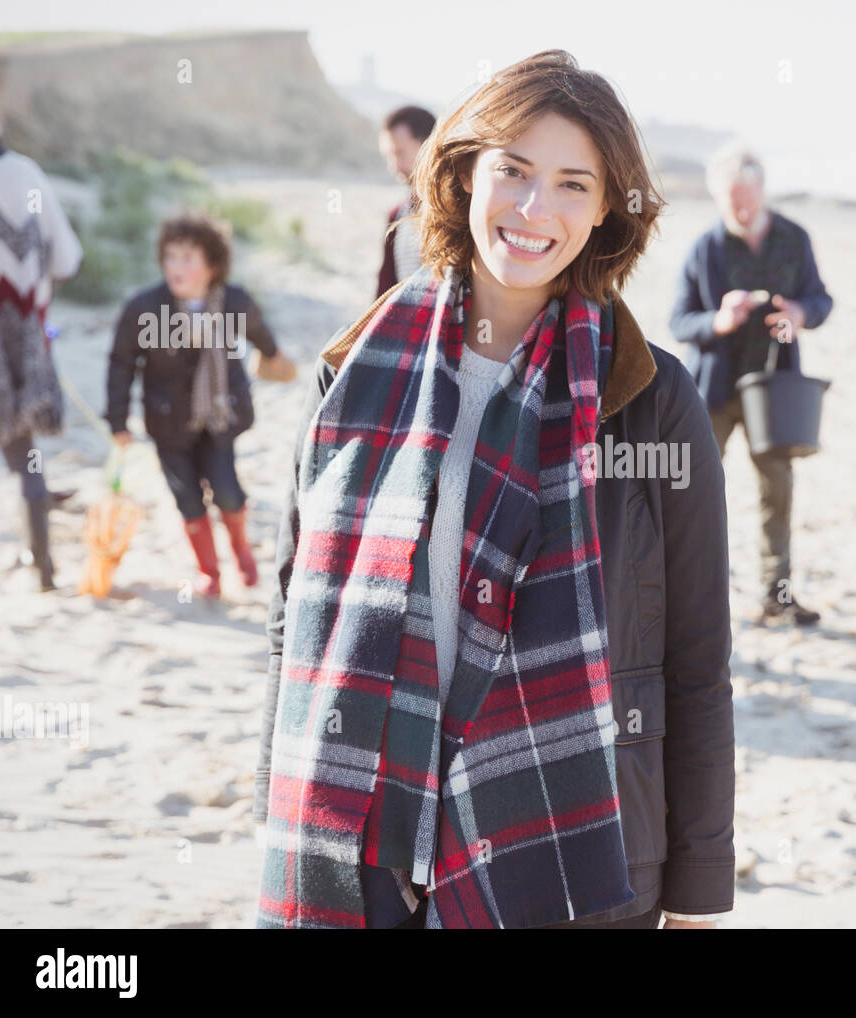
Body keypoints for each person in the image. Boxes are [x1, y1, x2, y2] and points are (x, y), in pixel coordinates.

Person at [253, 50, 735, 930]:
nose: (534, 208)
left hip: (575, 848)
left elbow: (697, 661)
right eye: (512, 170)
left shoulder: (651, 398)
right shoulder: (351, 374)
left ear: (606, 212)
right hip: (357, 829)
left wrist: (700, 896)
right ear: (463, 174)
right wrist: (280, 806)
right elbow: (294, 616)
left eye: (572, 184)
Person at [669, 143, 833, 626]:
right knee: (693, 493)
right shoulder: (706, 248)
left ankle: (776, 594)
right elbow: (679, 321)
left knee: (776, 493)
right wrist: (719, 321)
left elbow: (821, 300)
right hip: (715, 389)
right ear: (718, 198)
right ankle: (690, 598)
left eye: (748, 198)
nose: (741, 209)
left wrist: (801, 313)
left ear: (763, 192)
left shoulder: (794, 239)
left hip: (775, 390)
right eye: (731, 200)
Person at [104, 212, 296, 599]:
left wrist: (275, 356)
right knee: (187, 498)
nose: (176, 266)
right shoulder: (143, 308)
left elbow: (263, 337)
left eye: (188, 258)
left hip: (219, 418)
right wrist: (118, 421)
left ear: (213, 265)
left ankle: (241, 547)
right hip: (167, 422)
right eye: (170, 257)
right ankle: (210, 572)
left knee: (226, 489)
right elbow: (121, 363)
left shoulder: (234, 302)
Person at [0, 97, 83, 591]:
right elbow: (66, 258)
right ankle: (43, 568)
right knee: (24, 452)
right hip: (21, 343)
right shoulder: (25, 174)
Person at [375, 104, 436, 297]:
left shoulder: (463, 211)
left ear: (427, 145)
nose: (393, 167)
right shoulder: (396, 216)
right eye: (389, 156)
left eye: (399, 153)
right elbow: (384, 295)